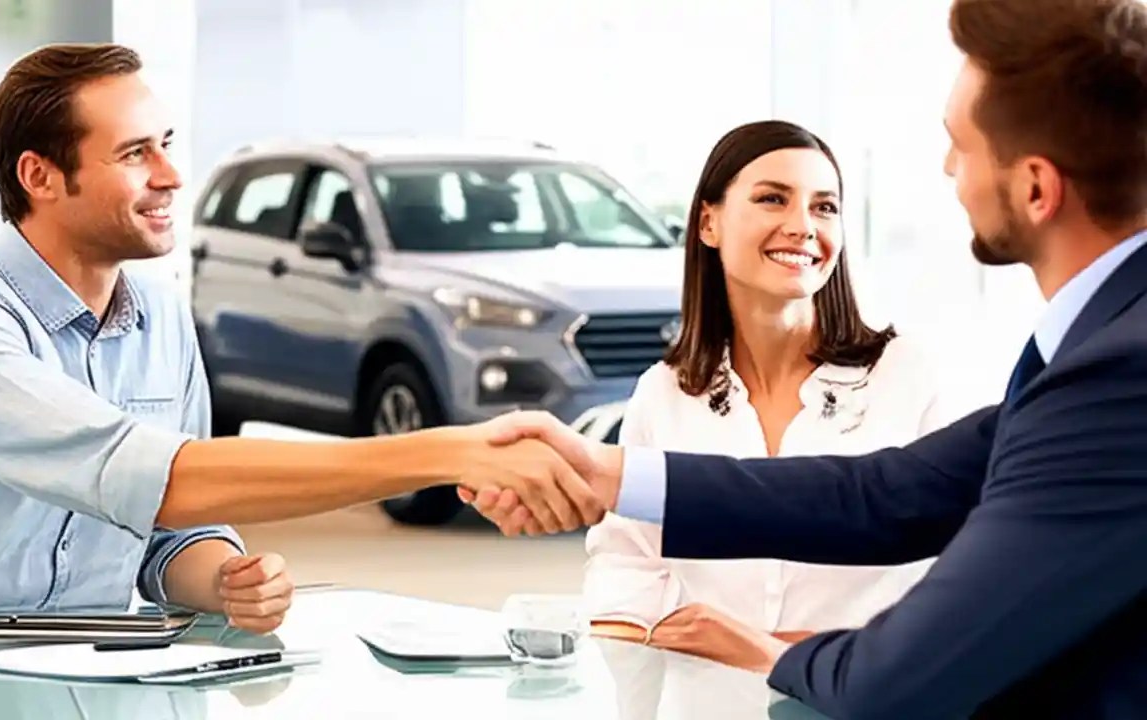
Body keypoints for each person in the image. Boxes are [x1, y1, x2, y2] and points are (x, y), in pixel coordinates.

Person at [467, 0, 1147, 717]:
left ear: (1036, 188)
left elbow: (905, 677)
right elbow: (887, 495)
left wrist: (773, 652)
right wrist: (604, 472)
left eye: (961, 145)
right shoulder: (1100, 350)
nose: (948, 169)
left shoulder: (1117, 379)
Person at [0, 43, 602, 620]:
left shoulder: (159, 318)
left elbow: (173, 536)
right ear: (40, 176)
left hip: (76, 675)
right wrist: (451, 449)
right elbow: (161, 481)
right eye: (134, 154)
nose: (173, 175)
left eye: (166, 143)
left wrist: (223, 576)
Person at [581, 120, 947, 717]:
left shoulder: (910, 376)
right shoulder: (664, 393)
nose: (803, 224)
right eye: (773, 198)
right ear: (709, 223)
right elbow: (627, 560)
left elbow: (953, 578)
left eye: (824, 206)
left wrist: (780, 651)